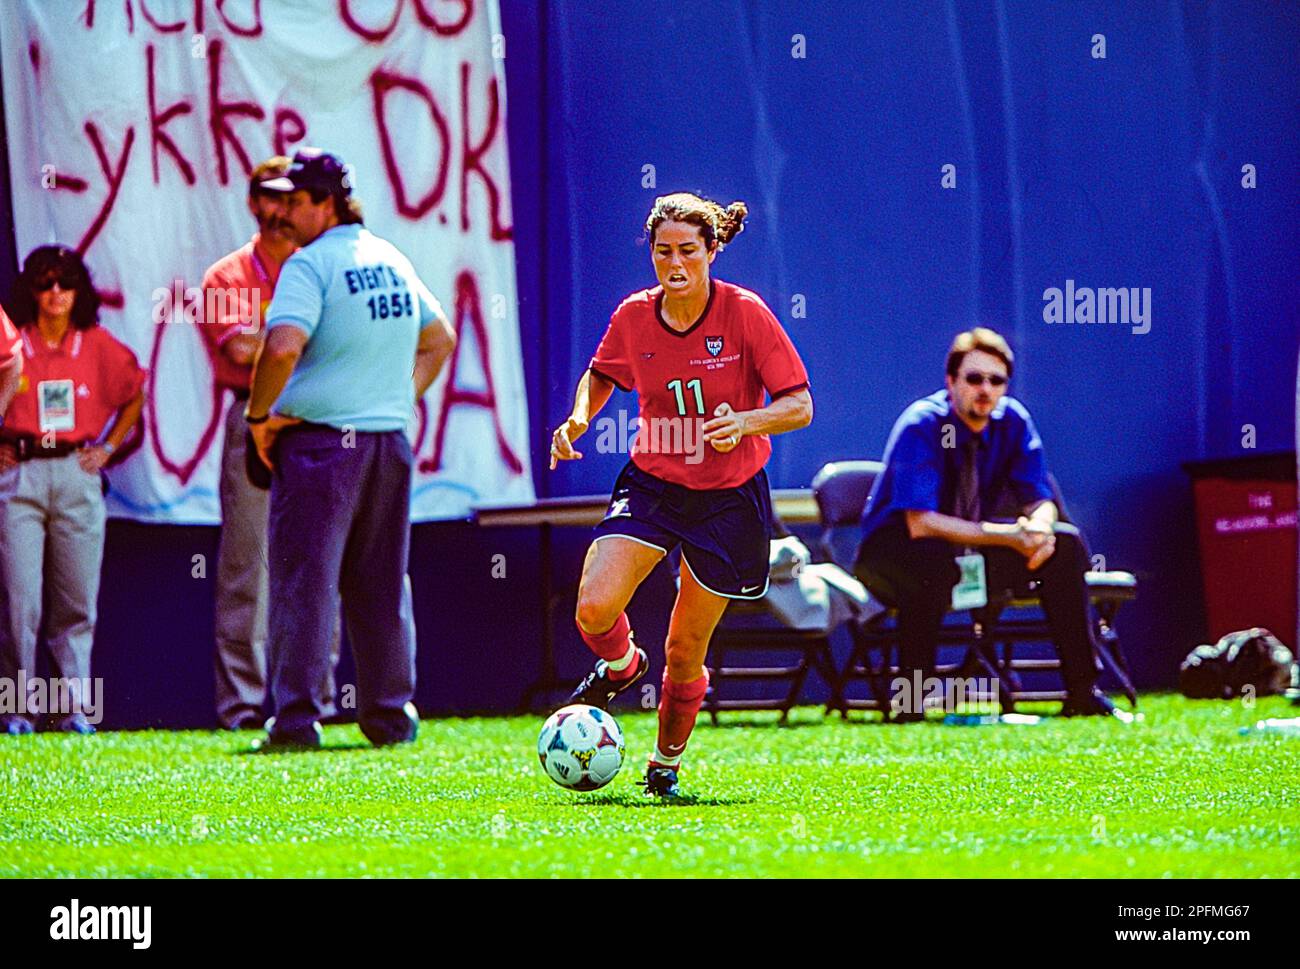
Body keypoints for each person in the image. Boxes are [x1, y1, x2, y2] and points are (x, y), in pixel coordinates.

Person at [550, 192, 813, 797]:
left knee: (685, 646)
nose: (675, 264)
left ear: (712, 250)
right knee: (593, 606)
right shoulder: (635, 315)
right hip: (654, 486)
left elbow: (800, 405)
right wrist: (579, 418)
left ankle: (665, 764)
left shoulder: (745, 313)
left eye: (688, 251)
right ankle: (621, 666)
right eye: (662, 251)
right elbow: (602, 373)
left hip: (728, 498)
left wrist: (746, 422)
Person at [246, 148, 456, 750]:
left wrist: (259, 417)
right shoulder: (388, 256)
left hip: (318, 446)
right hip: (387, 441)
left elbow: (283, 346)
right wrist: (397, 396)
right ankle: (391, 715)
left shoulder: (309, 265)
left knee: (304, 582)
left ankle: (295, 721)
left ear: (326, 203)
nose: (283, 212)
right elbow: (439, 339)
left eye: (294, 200)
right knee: (382, 583)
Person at [853, 327, 1116, 721]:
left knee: (1064, 547)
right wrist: (1009, 536)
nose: (985, 389)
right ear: (951, 381)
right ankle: (910, 703)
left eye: (997, 381)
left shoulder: (1012, 422)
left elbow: (1039, 496)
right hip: (896, 555)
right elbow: (920, 522)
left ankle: (1083, 693)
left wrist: (1039, 530)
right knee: (931, 561)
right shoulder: (924, 425)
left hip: (971, 552)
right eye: (974, 379)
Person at [200, 156, 338, 731]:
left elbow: (297, 344)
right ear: (254, 203)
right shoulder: (225, 276)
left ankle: (315, 700)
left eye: (292, 198)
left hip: (319, 419)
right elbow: (239, 351)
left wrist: (286, 339)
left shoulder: (323, 265)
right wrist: (308, 337)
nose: (281, 210)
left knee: (320, 561)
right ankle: (242, 706)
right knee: (246, 568)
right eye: (270, 198)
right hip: (254, 417)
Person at [0, 246, 145, 734]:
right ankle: (17, 708)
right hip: (22, 472)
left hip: (74, 471)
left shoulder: (98, 344)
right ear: (30, 291)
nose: (55, 293)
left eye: (64, 282)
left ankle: (75, 709)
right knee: (20, 600)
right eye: (44, 283)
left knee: (76, 600)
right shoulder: (14, 343)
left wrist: (107, 449)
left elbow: (134, 392)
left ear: (79, 290)